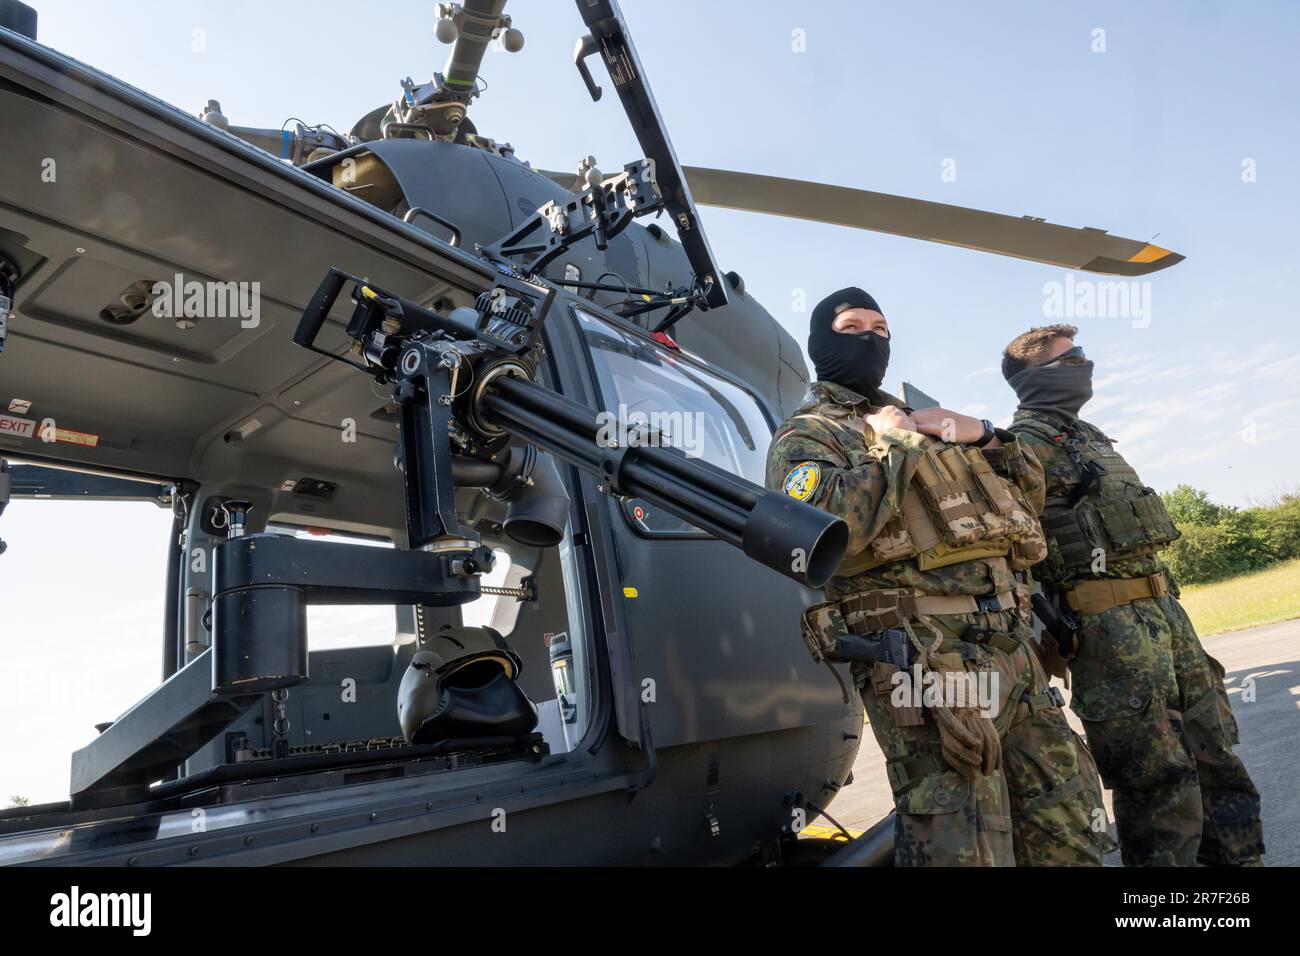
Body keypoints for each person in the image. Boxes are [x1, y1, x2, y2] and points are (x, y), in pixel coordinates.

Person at [767, 287, 1108, 866]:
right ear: (821, 341)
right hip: (929, 666)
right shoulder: (809, 434)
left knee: (1068, 828)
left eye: (882, 328)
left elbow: (1025, 501)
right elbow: (827, 524)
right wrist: (895, 439)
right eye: (852, 326)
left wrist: (986, 434)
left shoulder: (929, 420)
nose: (871, 338)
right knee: (964, 845)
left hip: (1013, 651)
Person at [1002, 323, 1265, 866]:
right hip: (1108, 626)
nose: (1083, 365)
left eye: (1081, 355)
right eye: (1067, 360)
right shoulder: (1019, 449)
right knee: (1155, 777)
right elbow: (1013, 549)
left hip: (1165, 613)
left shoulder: (1089, 437)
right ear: (1032, 378)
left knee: (1216, 756)